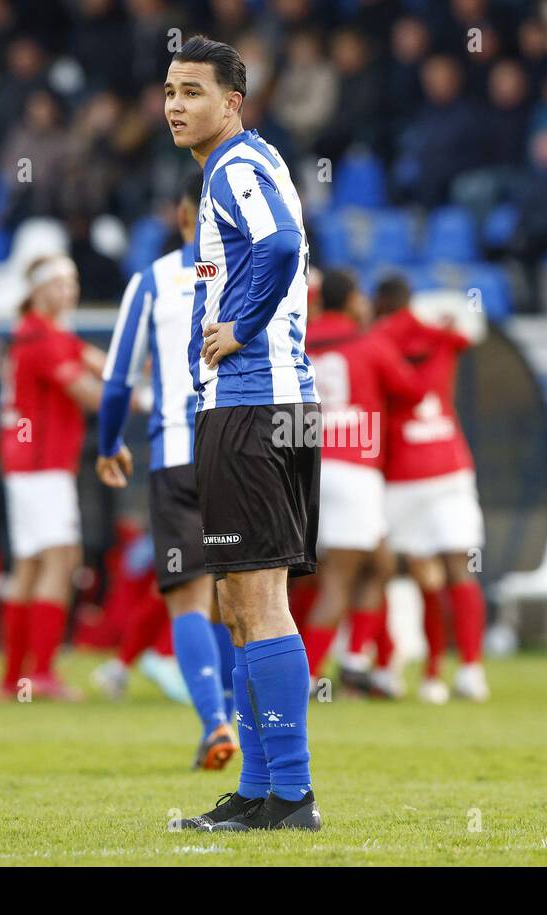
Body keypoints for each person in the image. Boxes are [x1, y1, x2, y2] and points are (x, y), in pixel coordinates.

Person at [165, 36, 322, 832]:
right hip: (267, 407)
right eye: (169, 91)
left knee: (256, 599)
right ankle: (262, 791)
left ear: (233, 101)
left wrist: (239, 324)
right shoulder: (246, 164)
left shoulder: (235, 168)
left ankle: (290, 793)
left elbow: (283, 246)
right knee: (238, 598)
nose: (175, 105)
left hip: (257, 405)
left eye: (193, 91)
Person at [95, 170, 239, 771]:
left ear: (182, 215)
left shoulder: (152, 280)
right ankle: (250, 729)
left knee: (188, 602)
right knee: (244, 599)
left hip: (178, 457)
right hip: (241, 455)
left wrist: (108, 444)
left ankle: (214, 723)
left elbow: (117, 382)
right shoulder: (253, 274)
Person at [301, 268, 437, 698]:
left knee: (378, 563)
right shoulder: (368, 341)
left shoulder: (301, 340)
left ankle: (359, 661)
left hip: (309, 464)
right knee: (339, 580)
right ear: (353, 299)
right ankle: (305, 678)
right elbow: (413, 391)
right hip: (354, 468)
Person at [372, 276, 489, 704]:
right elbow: (471, 329)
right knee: (461, 568)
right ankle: (472, 669)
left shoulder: (377, 338)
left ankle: (434, 672)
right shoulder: (438, 334)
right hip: (449, 463)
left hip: (404, 473)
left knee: (426, 576)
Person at [0, 255, 106, 700]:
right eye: (59, 283)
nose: (69, 291)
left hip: (26, 465)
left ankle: (11, 680)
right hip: (41, 464)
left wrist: (147, 370)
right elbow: (90, 394)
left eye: (72, 281)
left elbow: (102, 363)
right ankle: (40, 674)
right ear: (38, 290)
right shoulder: (41, 338)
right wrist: (143, 401)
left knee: (28, 565)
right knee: (58, 561)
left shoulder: (44, 334)